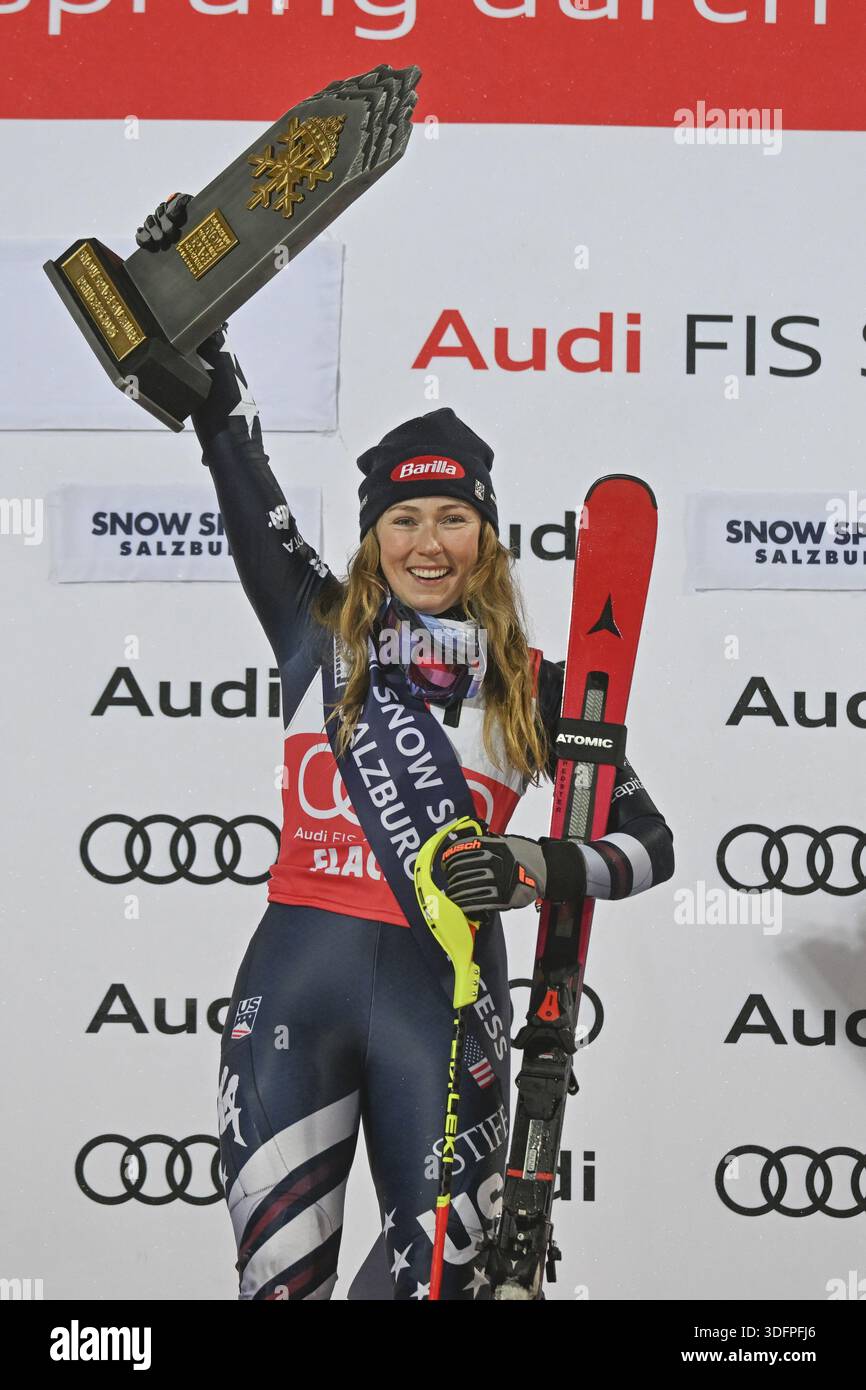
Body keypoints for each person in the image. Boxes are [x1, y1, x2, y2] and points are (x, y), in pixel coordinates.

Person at [137, 196, 675, 1302]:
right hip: (293, 987)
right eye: (402, 521)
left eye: (449, 519)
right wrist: (196, 324)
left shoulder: (534, 688)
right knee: (278, 1288)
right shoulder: (317, 631)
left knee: (436, 1291)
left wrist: (531, 867)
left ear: (484, 535)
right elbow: (239, 470)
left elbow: (646, 842)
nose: (426, 543)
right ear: (373, 539)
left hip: (447, 1002)